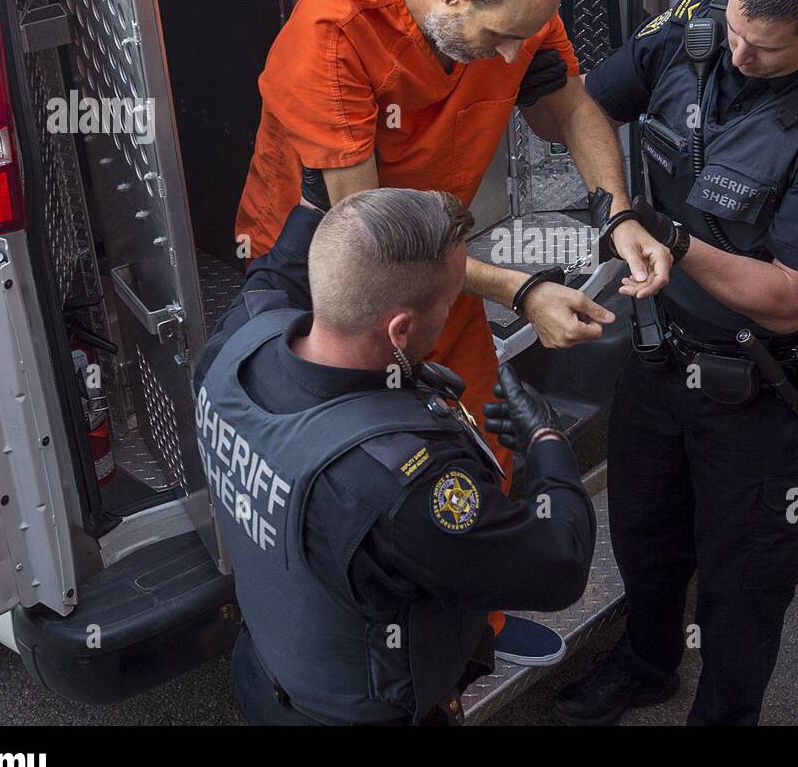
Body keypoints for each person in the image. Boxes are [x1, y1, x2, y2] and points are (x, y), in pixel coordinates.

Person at [232, 0, 669, 664]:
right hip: (334, 280)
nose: (511, 60)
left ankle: (474, 636)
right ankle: (377, 657)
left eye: (524, 36)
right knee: (372, 475)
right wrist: (521, 290)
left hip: (439, 268)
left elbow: (568, 108)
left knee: (469, 441)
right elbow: (369, 242)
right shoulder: (335, 34)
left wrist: (617, 216)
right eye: (499, 40)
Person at [552, 0, 798, 725]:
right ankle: (645, 666)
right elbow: (581, 107)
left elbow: (791, 296)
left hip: (760, 397)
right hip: (656, 356)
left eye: (767, 46)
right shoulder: (691, 31)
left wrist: (669, 236)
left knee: (743, 589)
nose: (740, 53)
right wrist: (618, 208)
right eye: (738, 26)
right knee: (645, 539)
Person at [194, 190, 596, 725]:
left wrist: (320, 200)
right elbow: (560, 564)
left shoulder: (236, 344)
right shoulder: (403, 487)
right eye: (452, 301)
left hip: (265, 675)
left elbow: (276, 274)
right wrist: (547, 443)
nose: (454, 310)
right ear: (400, 331)